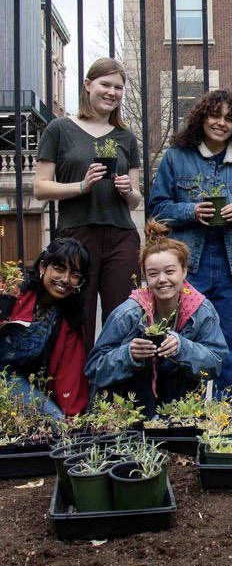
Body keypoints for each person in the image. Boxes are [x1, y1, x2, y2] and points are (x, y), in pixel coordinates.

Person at [148, 89, 232, 398]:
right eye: (215, 116)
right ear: (201, 118)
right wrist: (191, 210)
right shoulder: (176, 158)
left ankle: (227, 414)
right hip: (191, 266)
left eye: (229, 119)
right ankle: (182, 411)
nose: (221, 123)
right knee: (184, 341)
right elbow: (158, 208)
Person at [34, 58, 141, 349]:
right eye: (105, 84)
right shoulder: (60, 129)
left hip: (120, 236)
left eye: (118, 87)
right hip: (76, 236)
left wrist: (126, 189)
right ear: (87, 85)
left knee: (123, 317)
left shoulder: (126, 136)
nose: (112, 92)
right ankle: (76, 390)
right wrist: (81, 186)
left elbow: (135, 199)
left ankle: (116, 389)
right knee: (77, 318)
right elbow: (40, 187)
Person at [85, 220, 227, 417]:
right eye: (153, 274)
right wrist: (128, 355)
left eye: (170, 271)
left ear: (184, 271)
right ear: (145, 276)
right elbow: (94, 369)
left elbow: (216, 362)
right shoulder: (127, 313)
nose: (162, 280)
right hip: (129, 409)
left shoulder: (201, 310)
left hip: (181, 409)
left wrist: (183, 348)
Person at [0, 238, 91, 418]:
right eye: (59, 269)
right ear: (43, 267)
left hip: (14, 381)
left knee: (55, 421)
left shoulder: (68, 319)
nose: (65, 279)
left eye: (74, 274)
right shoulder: (13, 292)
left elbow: (70, 373)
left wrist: (73, 419)